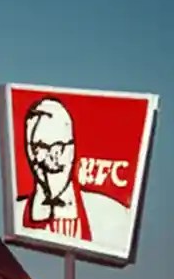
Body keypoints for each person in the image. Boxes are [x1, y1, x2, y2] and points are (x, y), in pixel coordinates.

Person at [16, 98, 130, 248]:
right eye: (41, 147)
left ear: (72, 148)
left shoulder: (112, 214)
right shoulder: (16, 215)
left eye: (59, 147)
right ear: (29, 151)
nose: (52, 159)